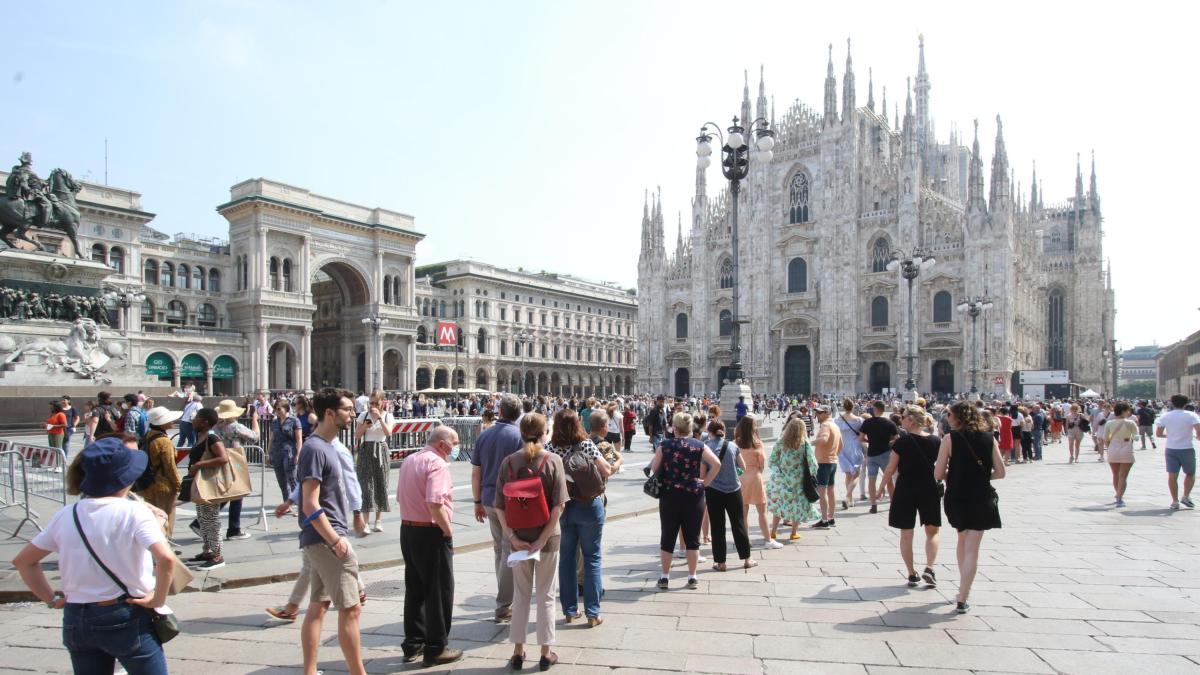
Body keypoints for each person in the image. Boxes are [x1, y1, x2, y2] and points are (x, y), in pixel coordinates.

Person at [12, 437, 177, 675]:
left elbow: (24, 561)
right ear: (128, 478)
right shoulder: (136, 511)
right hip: (125, 612)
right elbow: (167, 559)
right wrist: (157, 600)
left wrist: (50, 598)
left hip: (76, 615)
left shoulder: (67, 514)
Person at [293, 388, 367, 675]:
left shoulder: (326, 446)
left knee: (318, 605)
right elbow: (310, 503)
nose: (352, 413)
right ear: (329, 413)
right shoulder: (315, 449)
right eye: (347, 409)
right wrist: (336, 540)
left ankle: (310, 671)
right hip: (327, 539)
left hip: (324, 538)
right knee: (351, 609)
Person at [493, 413, 568, 671]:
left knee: (520, 595)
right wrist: (543, 538)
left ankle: (517, 651)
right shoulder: (553, 460)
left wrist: (512, 536)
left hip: (518, 540)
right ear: (543, 432)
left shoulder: (509, 462)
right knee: (546, 596)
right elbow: (559, 506)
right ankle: (546, 653)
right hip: (547, 541)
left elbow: (499, 506)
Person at [396, 426, 464, 666]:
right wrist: (448, 529)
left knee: (415, 589)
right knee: (438, 590)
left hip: (408, 530)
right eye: (455, 443)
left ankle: (413, 644)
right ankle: (436, 647)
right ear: (443, 444)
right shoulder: (437, 464)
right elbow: (434, 501)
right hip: (431, 531)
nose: (457, 447)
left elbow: (399, 497)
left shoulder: (410, 460)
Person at [935, 401, 1005, 614]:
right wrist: (982, 477)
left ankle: (962, 588)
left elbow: (938, 474)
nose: (947, 418)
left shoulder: (949, 439)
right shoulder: (989, 438)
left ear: (958, 418)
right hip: (980, 495)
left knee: (962, 538)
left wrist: (953, 476)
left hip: (956, 495)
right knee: (973, 548)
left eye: (949, 414)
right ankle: (963, 595)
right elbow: (1000, 472)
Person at [549, 409, 612, 624]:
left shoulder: (550, 448)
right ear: (578, 424)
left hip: (564, 507)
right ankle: (593, 614)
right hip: (589, 506)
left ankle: (569, 610)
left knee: (566, 559)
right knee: (592, 558)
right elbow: (605, 470)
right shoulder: (585, 444)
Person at [650, 412, 721, 590]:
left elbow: (653, 467)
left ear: (675, 427)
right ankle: (692, 577)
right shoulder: (699, 445)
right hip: (693, 496)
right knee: (692, 537)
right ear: (690, 428)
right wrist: (706, 482)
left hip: (669, 495)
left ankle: (664, 577)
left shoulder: (664, 445)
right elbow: (717, 464)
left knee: (667, 536)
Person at [470, 393, 524, 623]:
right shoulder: (520, 436)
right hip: (510, 501)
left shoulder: (485, 434)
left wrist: (477, 501)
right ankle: (504, 604)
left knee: (498, 549)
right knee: (509, 549)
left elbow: (476, 472)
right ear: (518, 414)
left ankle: (504, 594)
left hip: (489, 498)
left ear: (500, 411)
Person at [880, 405, 942, 588]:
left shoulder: (901, 443)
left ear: (912, 420)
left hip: (905, 488)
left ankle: (911, 573)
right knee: (932, 531)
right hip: (929, 488)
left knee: (906, 533)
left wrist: (880, 488)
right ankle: (929, 567)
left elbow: (891, 469)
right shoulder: (936, 441)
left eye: (904, 417)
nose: (901, 419)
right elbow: (942, 468)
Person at [702, 420, 756, 571]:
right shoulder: (733, 446)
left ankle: (721, 562)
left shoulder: (706, 449)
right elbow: (743, 468)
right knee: (738, 524)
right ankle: (747, 559)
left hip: (714, 491)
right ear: (724, 431)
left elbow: (702, 473)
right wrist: (732, 473)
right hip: (733, 490)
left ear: (710, 432)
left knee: (717, 527)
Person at [187, 408, 230, 570]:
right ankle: (207, 551)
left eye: (196, 418)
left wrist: (199, 465)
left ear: (204, 422)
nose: (193, 420)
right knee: (203, 519)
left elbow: (223, 458)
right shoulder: (200, 436)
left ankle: (218, 555)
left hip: (210, 485)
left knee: (211, 519)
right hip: (200, 484)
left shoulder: (212, 438)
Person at [209, 399, 257, 541]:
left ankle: (201, 522)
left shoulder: (217, 428)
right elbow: (255, 438)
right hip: (236, 462)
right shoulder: (235, 427)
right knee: (237, 492)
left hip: (222, 461)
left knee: (227, 492)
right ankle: (234, 529)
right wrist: (255, 421)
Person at [767, 418, 820, 541]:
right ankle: (793, 533)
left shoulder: (781, 441)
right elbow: (813, 463)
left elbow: (772, 461)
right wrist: (812, 474)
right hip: (798, 481)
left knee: (780, 505)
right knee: (797, 505)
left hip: (782, 479)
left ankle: (773, 532)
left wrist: (778, 472)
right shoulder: (804, 443)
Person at [137, 407, 184, 538]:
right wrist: (179, 485)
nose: (173, 421)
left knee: (152, 517)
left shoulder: (147, 436)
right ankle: (165, 544)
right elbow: (170, 467)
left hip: (147, 483)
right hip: (163, 485)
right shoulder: (164, 441)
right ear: (162, 423)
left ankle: (154, 545)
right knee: (166, 515)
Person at [353, 390, 394, 533]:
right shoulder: (364, 415)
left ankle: (378, 520)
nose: (374, 405)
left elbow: (389, 433)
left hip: (381, 449)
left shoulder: (388, 415)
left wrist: (380, 419)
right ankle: (365, 522)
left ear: (383, 402)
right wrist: (365, 426)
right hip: (366, 449)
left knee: (380, 482)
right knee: (366, 484)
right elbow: (357, 434)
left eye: (377, 402)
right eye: (371, 403)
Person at [734, 416, 778, 549]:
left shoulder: (736, 442)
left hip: (741, 478)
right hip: (755, 477)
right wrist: (759, 471)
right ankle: (768, 540)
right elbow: (762, 463)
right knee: (761, 511)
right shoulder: (757, 443)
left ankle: (744, 540)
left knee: (743, 512)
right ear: (752, 427)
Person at [1155, 394, 1200, 510]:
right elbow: (1199, 433)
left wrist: (1170, 435)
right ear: (1186, 403)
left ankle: (1175, 501)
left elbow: (1159, 434)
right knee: (1190, 473)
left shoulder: (1165, 416)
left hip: (1171, 448)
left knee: (1172, 476)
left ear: (1172, 403)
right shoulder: (1192, 415)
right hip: (1187, 448)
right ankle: (1186, 496)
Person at [859, 400, 898, 513]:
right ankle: (893, 503)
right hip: (885, 454)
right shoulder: (889, 423)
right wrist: (889, 443)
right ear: (883, 409)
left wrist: (870, 440)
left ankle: (873, 505)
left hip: (871, 454)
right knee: (889, 480)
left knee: (872, 479)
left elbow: (860, 439)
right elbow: (897, 438)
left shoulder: (867, 423)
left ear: (874, 409)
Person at [811, 405, 843, 528]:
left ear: (826, 413)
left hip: (823, 463)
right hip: (832, 462)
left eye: (819, 413)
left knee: (822, 491)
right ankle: (831, 517)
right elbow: (841, 445)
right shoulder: (835, 426)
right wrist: (833, 455)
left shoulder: (825, 425)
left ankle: (824, 520)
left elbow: (824, 439)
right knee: (830, 490)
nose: (817, 415)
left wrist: (809, 442)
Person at [1104, 402, 1137, 507]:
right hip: (1126, 448)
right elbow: (1136, 437)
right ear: (1123, 411)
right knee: (1123, 476)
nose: (1129, 412)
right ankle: (1119, 497)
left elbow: (1105, 439)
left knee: (1115, 474)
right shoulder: (1131, 423)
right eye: (1127, 410)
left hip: (1113, 449)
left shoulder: (1109, 423)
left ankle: (1118, 495)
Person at [834, 398, 865, 510]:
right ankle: (847, 496)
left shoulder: (837, 420)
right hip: (854, 447)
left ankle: (850, 500)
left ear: (843, 407)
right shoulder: (859, 420)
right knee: (856, 474)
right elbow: (862, 435)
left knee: (848, 474)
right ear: (853, 407)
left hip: (842, 448)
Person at [270, 400, 303, 502]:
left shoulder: (294, 420)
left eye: (279, 409)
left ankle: (299, 503)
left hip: (289, 452)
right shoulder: (275, 422)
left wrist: (298, 454)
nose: (277, 411)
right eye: (276, 409)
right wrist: (269, 453)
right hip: (276, 452)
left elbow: (299, 439)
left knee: (292, 478)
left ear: (286, 408)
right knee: (281, 480)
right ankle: (286, 502)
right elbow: (272, 438)